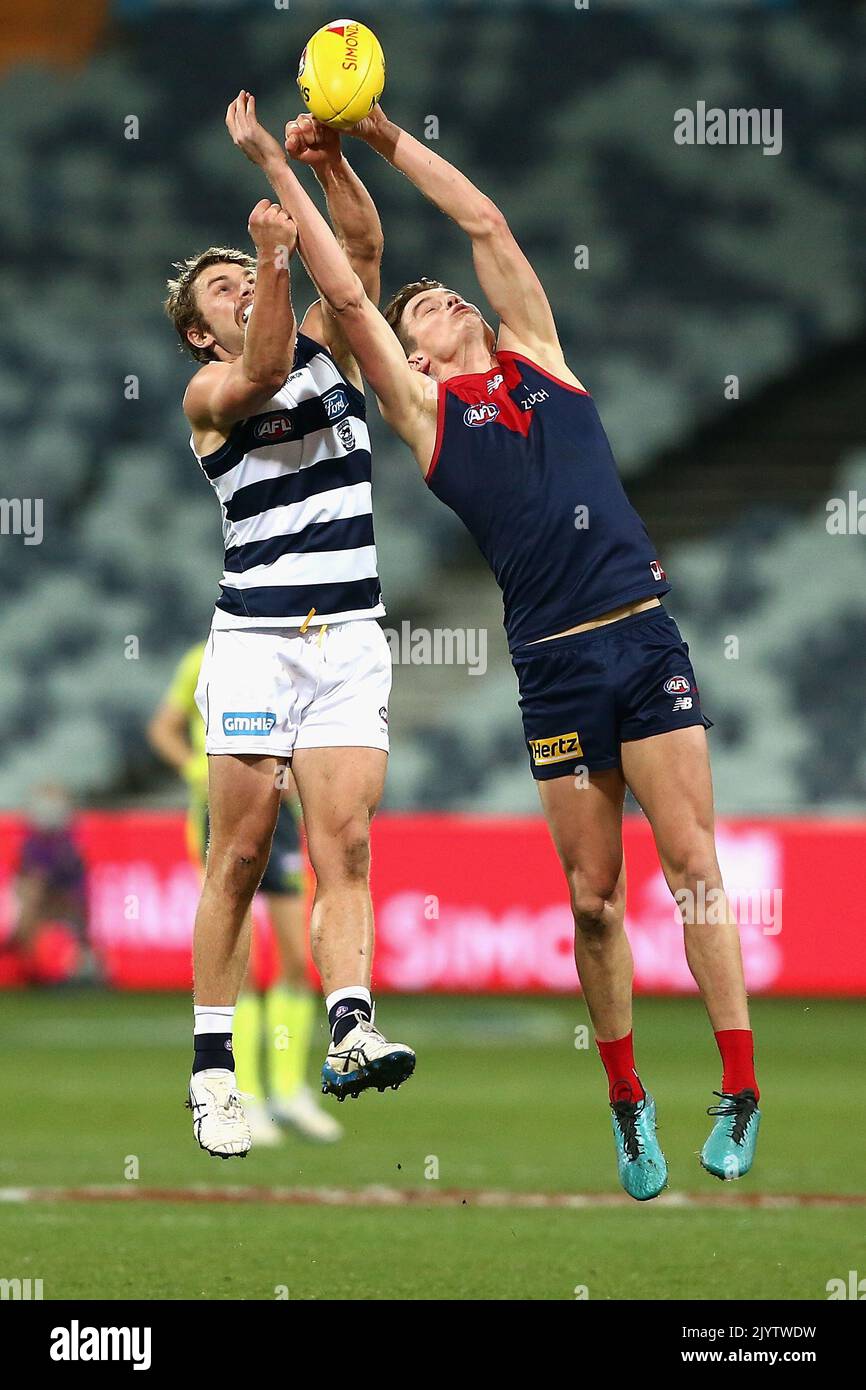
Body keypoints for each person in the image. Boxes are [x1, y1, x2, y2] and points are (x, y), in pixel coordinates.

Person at [224, 93, 760, 1200]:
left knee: (694, 865)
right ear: (410, 351)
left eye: (437, 297)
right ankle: (624, 1104)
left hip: (639, 633)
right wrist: (280, 165)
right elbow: (342, 292)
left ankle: (738, 1083)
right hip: (555, 663)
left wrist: (377, 136)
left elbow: (486, 225)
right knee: (594, 900)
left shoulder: (543, 358)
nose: (438, 302)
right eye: (417, 307)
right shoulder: (423, 414)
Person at [163, 107, 414, 1161]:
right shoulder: (211, 393)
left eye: (244, 274)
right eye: (217, 287)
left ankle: (350, 1025)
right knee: (241, 851)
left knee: (345, 843)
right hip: (258, 639)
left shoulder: (333, 353)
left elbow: (356, 250)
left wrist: (328, 159)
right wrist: (267, 254)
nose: (240, 286)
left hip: (347, 632)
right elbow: (264, 370)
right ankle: (212, 1067)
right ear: (195, 329)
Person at [148, 641, 341, 1144]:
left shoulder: (293, 656)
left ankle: (289, 1092)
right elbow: (163, 729)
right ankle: (245, 1094)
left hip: (281, 816)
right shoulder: (203, 657)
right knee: (247, 966)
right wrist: (197, 769)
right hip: (222, 812)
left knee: (298, 959)